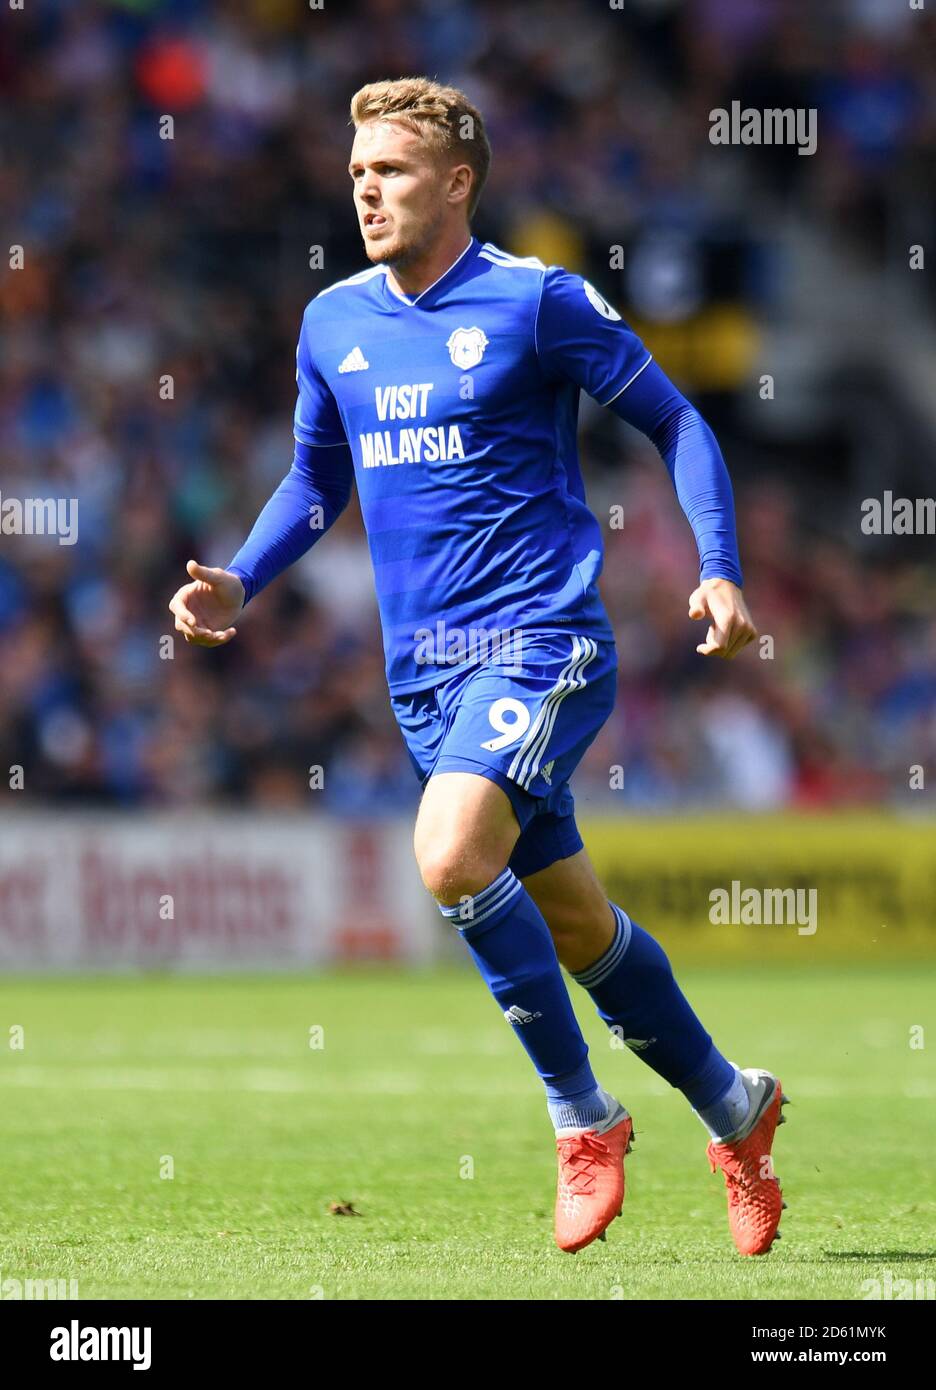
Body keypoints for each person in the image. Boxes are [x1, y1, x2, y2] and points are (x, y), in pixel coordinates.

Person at [168, 76, 788, 1256]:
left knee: (450, 855)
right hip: (425, 678)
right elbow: (315, 483)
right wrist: (242, 579)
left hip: (542, 642)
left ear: (457, 182)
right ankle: (734, 1105)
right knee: (574, 924)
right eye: (355, 172)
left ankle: (581, 1118)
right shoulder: (333, 323)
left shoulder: (535, 301)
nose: (366, 188)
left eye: (390, 170)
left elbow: (677, 419)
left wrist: (717, 565)